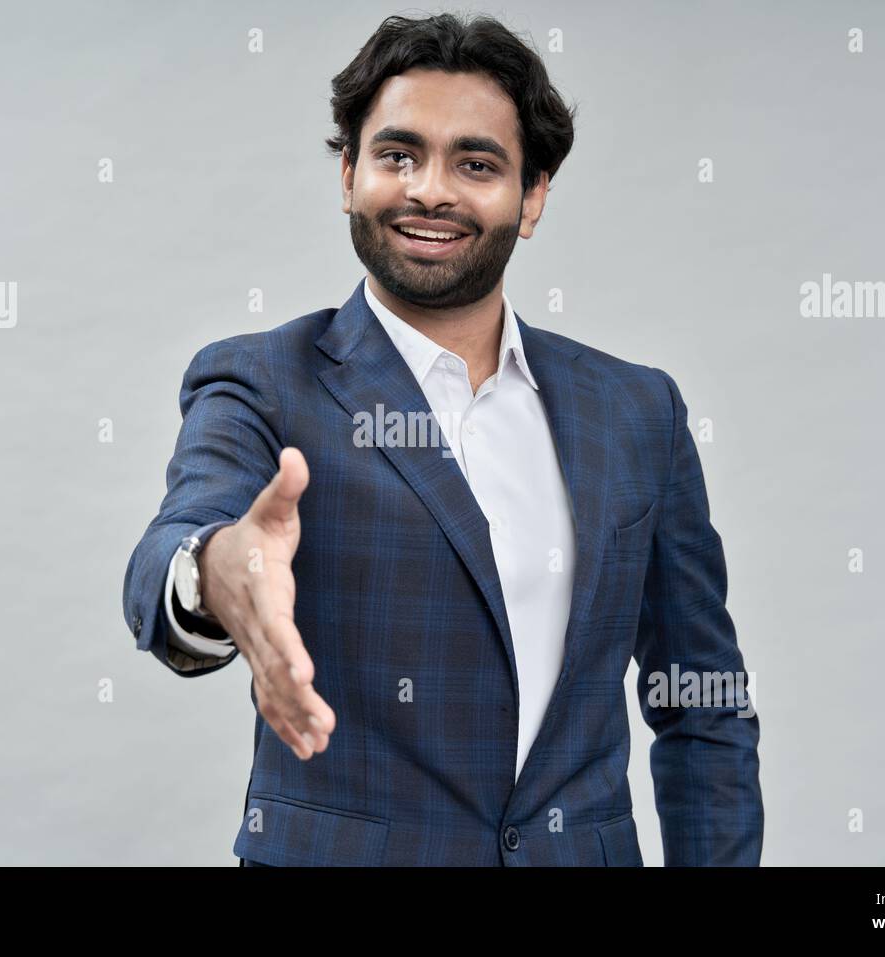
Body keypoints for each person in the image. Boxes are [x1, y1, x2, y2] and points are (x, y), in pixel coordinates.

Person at [121, 12, 763, 866]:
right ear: (348, 174)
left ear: (532, 197)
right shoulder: (262, 380)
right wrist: (216, 573)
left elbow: (704, 698)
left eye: (476, 162)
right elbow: (176, 542)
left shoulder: (639, 410)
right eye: (397, 155)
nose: (430, 189)